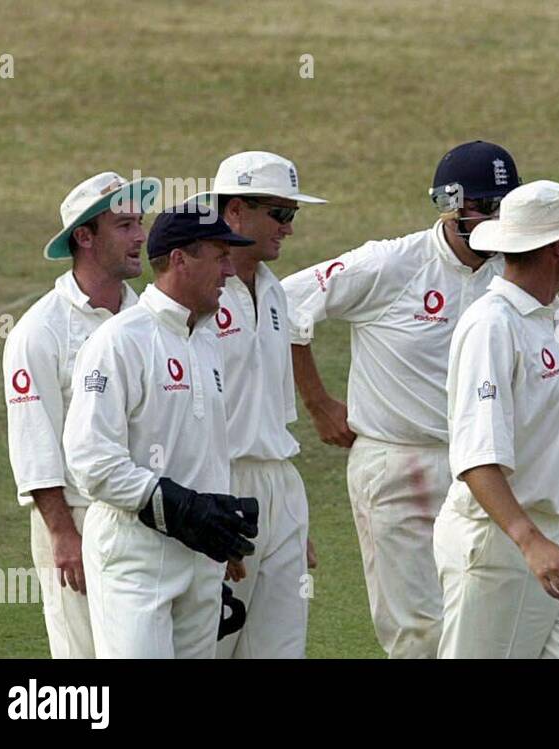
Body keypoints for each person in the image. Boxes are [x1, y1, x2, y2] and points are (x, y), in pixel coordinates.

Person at [282, 141, 518, 658]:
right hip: (396, 463)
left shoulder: (516, 272)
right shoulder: (390, 263)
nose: (496, 221)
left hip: (483, 466)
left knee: (484, 624)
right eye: (485, 207)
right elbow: (284, 308)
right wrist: (320, 405)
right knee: (418, 633)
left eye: (505, 206)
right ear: (450, 205)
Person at [62, 208, 260, 658]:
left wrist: (219, 532)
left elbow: (205, 451)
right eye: (220, 256)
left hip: (199, 556)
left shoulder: (206, 341)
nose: (229, 271)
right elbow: (91, 460)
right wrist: (179, 505)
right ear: (180, 259)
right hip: (134, 555)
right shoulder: (119, 341)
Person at [434, 180, 559, 658]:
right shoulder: (492, 324)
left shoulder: (547, 317)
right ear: (557, 248)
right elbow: (476, 457)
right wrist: (528, 541)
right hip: (506, 544)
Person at [3, 171, 158, 657]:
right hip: (77, 517)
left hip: (151, 513)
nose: (140, 237)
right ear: (85, 237)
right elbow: (34, 441)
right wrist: (62, 535)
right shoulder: (38, 331)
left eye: (139, 223)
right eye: (125, 225)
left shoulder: (152, 320)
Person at [190, 151, 327, 658]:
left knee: (280, 649)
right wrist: (207, 512)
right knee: (210, 646)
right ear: (235, 211)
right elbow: (180, 415)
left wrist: (287, 521)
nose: (288, 229)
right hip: (219, 486)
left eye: (293, 214)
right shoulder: (195, 296)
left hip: (278, 484)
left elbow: (273, 411)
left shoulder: (275, 293)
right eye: (280, 213)